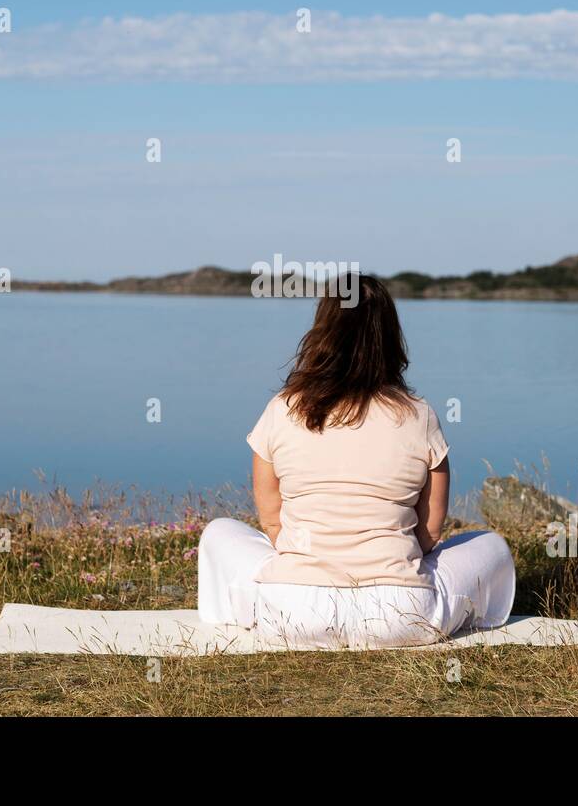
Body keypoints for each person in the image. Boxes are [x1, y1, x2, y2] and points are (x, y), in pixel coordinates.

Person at [197, 274, 516, 648]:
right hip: (399, 615)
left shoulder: (283, 409)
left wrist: (315, 559)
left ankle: (247, 611)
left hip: (294, 611)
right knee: (491, 544)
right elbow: (428, 534)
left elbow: (271, 521)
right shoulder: (419, 415)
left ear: (322, 330)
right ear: (390, 336)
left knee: (220, 531)